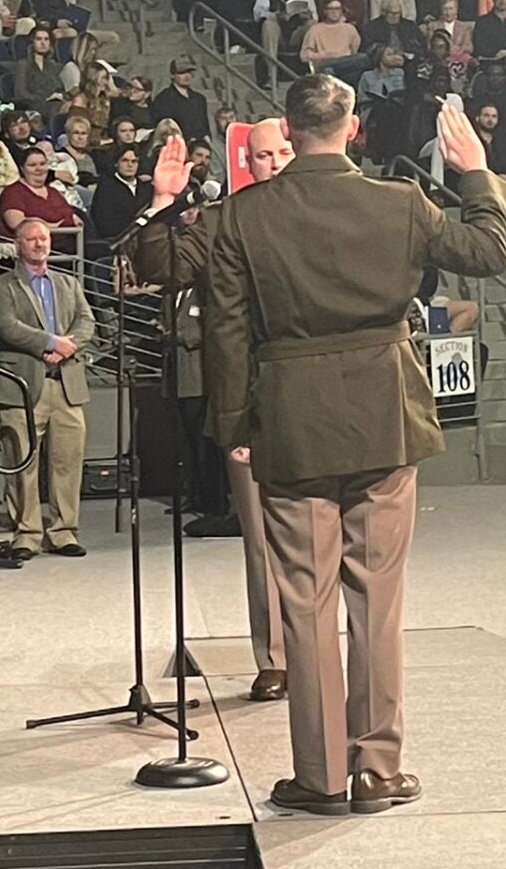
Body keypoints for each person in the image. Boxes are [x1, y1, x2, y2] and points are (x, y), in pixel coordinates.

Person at [205, 84, 506, 814]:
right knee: (376, 600)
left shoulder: (243, 215)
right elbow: (488, 252)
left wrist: (234, 427)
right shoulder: (400, 200)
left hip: (290, 418)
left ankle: (317, 776)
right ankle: (377, 768)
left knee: (305, 604)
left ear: (289, 129)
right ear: (354, 129)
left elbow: (226, 332)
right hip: (382, 413)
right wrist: (474, 171)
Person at [128, 121, 297, 700]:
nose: (272, 163)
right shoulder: (222, 222)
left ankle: (321, 649)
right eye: (261, 155)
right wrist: (163, 203)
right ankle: (275, 658)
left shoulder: (333, 211)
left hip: (324, 397)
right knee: (262, 540)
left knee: (331, 537)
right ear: (245, 162)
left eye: (282, 152)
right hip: (249, 403)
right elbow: (159, 266)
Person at [0, 218, 95, 559]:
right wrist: (49, 342)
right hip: (23, 384)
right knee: (21, 458)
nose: (39, 244)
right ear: (18, 244)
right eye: (31, 239)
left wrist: (67, 346)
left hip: (65, 383)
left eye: (43, 238)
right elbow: (7, 326)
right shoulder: (1, 285)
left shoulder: (68, 283)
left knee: (67, 461)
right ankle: (27, 533)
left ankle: (64, 531)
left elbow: (86, 320)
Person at [151, 56, 212, 143]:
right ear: (172, 75)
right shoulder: (164, 98)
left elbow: (205, 125)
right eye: (181, 72)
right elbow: (163, 127)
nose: (187, 76)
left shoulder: (199, 99)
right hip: (177, 145)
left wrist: (207, 137)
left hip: (200, 145)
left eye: (189, 72)